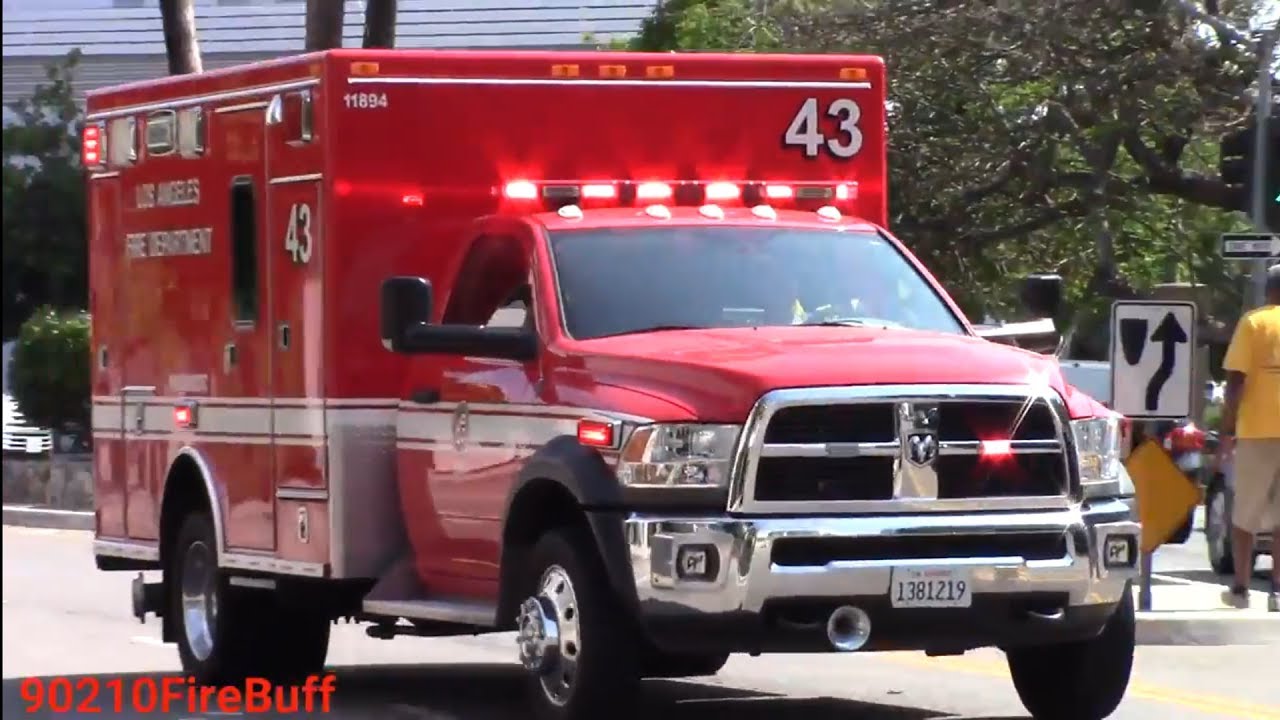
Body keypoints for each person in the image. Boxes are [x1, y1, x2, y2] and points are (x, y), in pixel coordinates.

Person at [1218, 263, 1280, 612]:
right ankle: (1277, 590)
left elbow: (1236, 381)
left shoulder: (1254, 323)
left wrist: (1226, 431)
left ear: (1268, 290)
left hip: (1257, 430)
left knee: (1246, 515)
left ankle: (1241, 589)